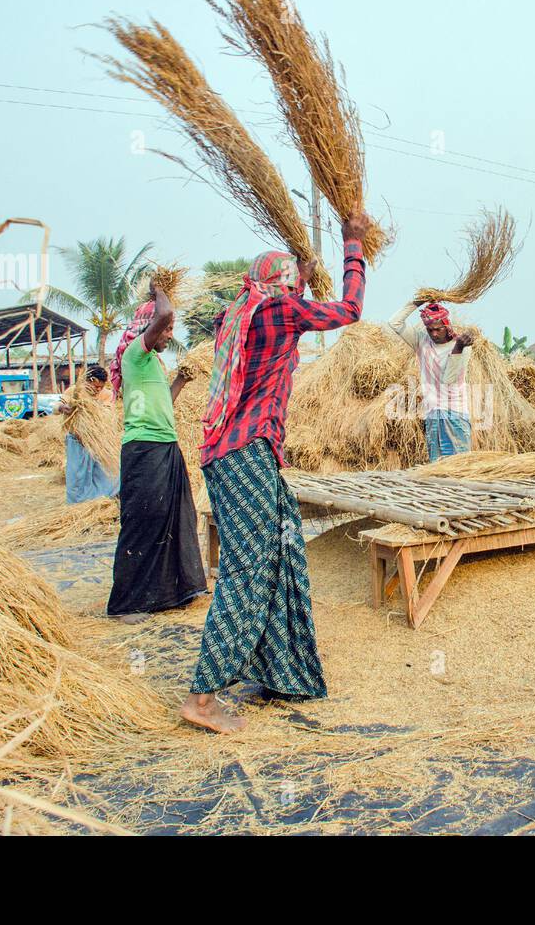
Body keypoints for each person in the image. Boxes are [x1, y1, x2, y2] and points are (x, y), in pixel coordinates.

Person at [181, 210, 370, 734]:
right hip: (246, 453)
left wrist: (300, 275)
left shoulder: (239, 311)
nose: (297, 289)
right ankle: (202, 697)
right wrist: (352, 246)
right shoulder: (280, 310)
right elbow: (349, 310)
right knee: (247, 568)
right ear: (283, 285)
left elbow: (280, 309)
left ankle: (281, 670)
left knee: (284, 544)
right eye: (294, 283)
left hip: (232, 454)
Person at [104, 278, 208, 620]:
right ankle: (126, 603)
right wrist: (159, 289)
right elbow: (164, 312)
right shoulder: (136, 352)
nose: (169, 334)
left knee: (174, 519)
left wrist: (181, 380)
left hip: (165, 447)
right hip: (144, 450)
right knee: (142, 522)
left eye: (171, 330)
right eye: (166, 329)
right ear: (149, 326)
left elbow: (165, 403)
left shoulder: (153, 365)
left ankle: (170, 592)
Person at [387, 300, 473, 461]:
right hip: (432, 413)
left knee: (461, 466)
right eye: (430, 330)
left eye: (438, 329)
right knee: (437, 467)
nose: (434, 334)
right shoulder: (421, 342)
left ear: (447, 326)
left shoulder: (462, 346)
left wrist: (458, 349)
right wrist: (417, 301)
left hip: (455, 414)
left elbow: (450, 379)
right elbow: (394, 322)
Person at [57, 365, 117, 504]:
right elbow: (58, 405)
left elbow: (107, 414)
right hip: (77, 439)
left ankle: (101, 499)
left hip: (98, 439)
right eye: (95, 386)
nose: (98, 390)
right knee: (78, 473)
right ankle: (77, 503)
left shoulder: (107, 395)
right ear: (87, 381)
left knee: (102, 472)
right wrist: (63, 408)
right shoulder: (74, 391)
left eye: (100, 387)